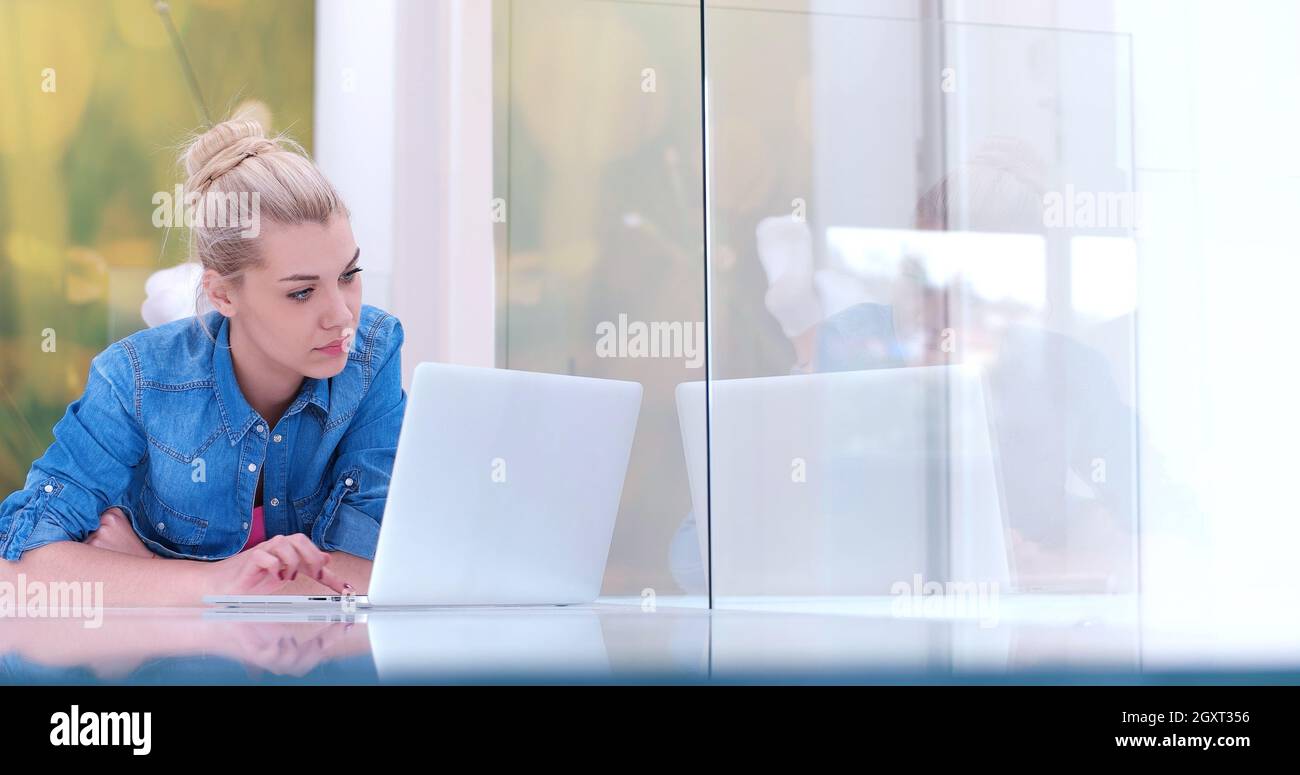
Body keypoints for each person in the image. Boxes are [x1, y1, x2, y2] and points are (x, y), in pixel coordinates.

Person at [0, 110, 405, 605]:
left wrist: (151, 571)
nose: (342, 315)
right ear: (222, 295)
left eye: (348, 274)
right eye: (301, 293)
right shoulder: (136, 379)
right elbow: (22, 565)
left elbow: (371, 574)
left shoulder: (373, 353)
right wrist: (215, 583)